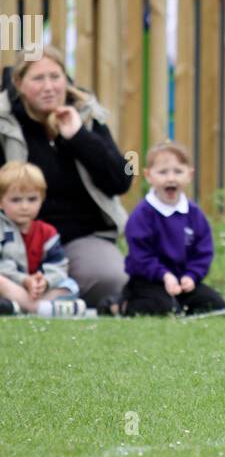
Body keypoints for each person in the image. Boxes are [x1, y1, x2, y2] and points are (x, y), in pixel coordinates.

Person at [0, 47, 131, 308]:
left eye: (55, 77)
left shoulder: (86, 115)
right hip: (13, 239)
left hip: (79, 237)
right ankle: (48, 300)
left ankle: (33, 300)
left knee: (111, 279)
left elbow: (121, 180)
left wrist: (79, 136)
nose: (49, 87)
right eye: (38, 79)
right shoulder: (5, 121)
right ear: (19, 83)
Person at [120, 140, 225, 316]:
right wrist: (165, 276)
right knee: (165, 308)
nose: (171, 178)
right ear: (148, 175)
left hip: (182, 281)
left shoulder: (194, 214)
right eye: (163, 172)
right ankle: (122, 305)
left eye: (178, 171)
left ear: (189, 175)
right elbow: (141, 256)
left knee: (214, 304)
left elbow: (203, 252)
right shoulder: (142, 215)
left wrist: (191, 276)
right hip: (149, 281)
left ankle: (180, 305)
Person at [0, 160, 87, 316]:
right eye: (16, 200)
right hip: (11, 285)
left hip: (38, 290)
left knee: (70, 286)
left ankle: (22, 307)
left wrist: (44, 282)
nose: (24, 206)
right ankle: (39, 308)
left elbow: (58, 266)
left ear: (42, 198)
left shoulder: (47, 232)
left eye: (32, 199)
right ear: (1, 202)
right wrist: (24, 280)